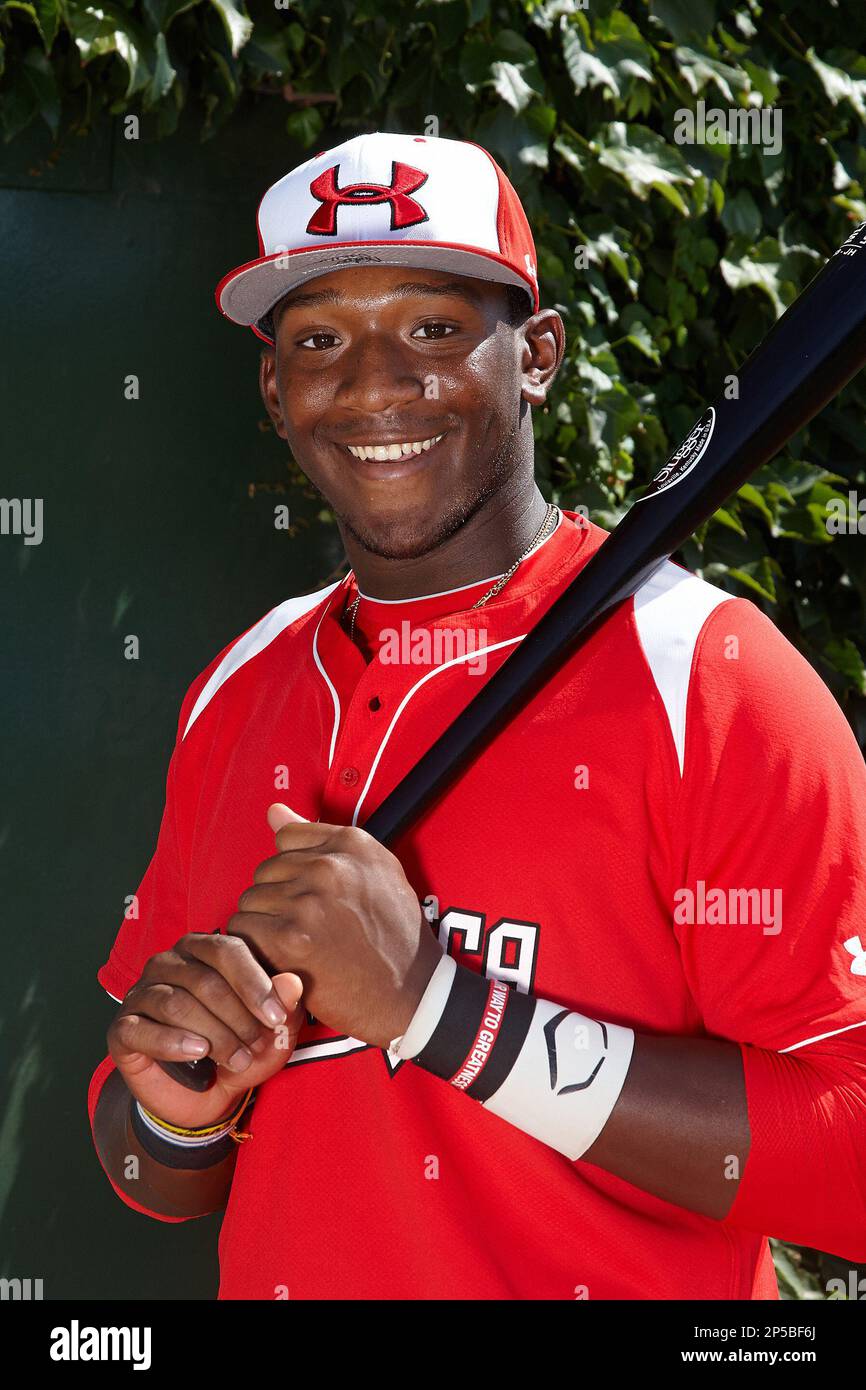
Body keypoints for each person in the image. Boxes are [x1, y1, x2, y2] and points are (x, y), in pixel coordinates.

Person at [89, 132, 866, 1300]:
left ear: (536, 355)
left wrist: (437, 1006)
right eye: (318, 340)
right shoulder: (239, 683)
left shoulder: (705, 678)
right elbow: (149, 1167)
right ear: (273, 386)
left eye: (433, 329)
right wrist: (179, 1111)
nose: (370, 384)